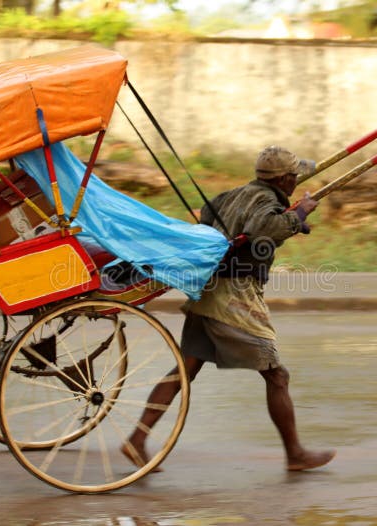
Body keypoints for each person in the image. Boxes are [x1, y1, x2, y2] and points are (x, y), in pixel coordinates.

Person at [122, 145, 335, 472]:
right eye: (294, 175)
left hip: (207, 291)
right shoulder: (265, 201)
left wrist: (290, 222)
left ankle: (137, 440)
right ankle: (295, 454)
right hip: (233, 298)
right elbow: (262, 227)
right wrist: (300, 213)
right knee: (277, 375)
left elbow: (219, 222)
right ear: (284, 179)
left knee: (185, 370)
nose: (297, 180)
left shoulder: (232, 195)